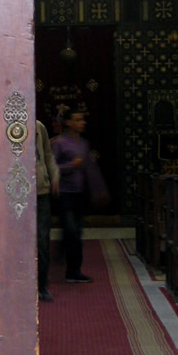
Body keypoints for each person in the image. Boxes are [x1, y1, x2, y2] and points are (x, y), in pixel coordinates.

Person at [51, 105, 99, 283]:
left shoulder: (84, 144)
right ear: (68, 122)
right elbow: (52, 168)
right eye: (78, 120)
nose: (82, 123)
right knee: (72, 231)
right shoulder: (59, 143)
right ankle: (73, 271)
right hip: (64, 193)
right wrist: (71, 166)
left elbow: (89, 169)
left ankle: (72, 266)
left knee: (76, 232)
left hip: (80, 193)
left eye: (83, 119)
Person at [36, 119, 59, 302]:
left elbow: (48, 155)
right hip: (15, 193)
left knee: (42, 239)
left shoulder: (38, 127)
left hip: (40, 191)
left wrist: (54, 176)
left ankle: (42, 285)